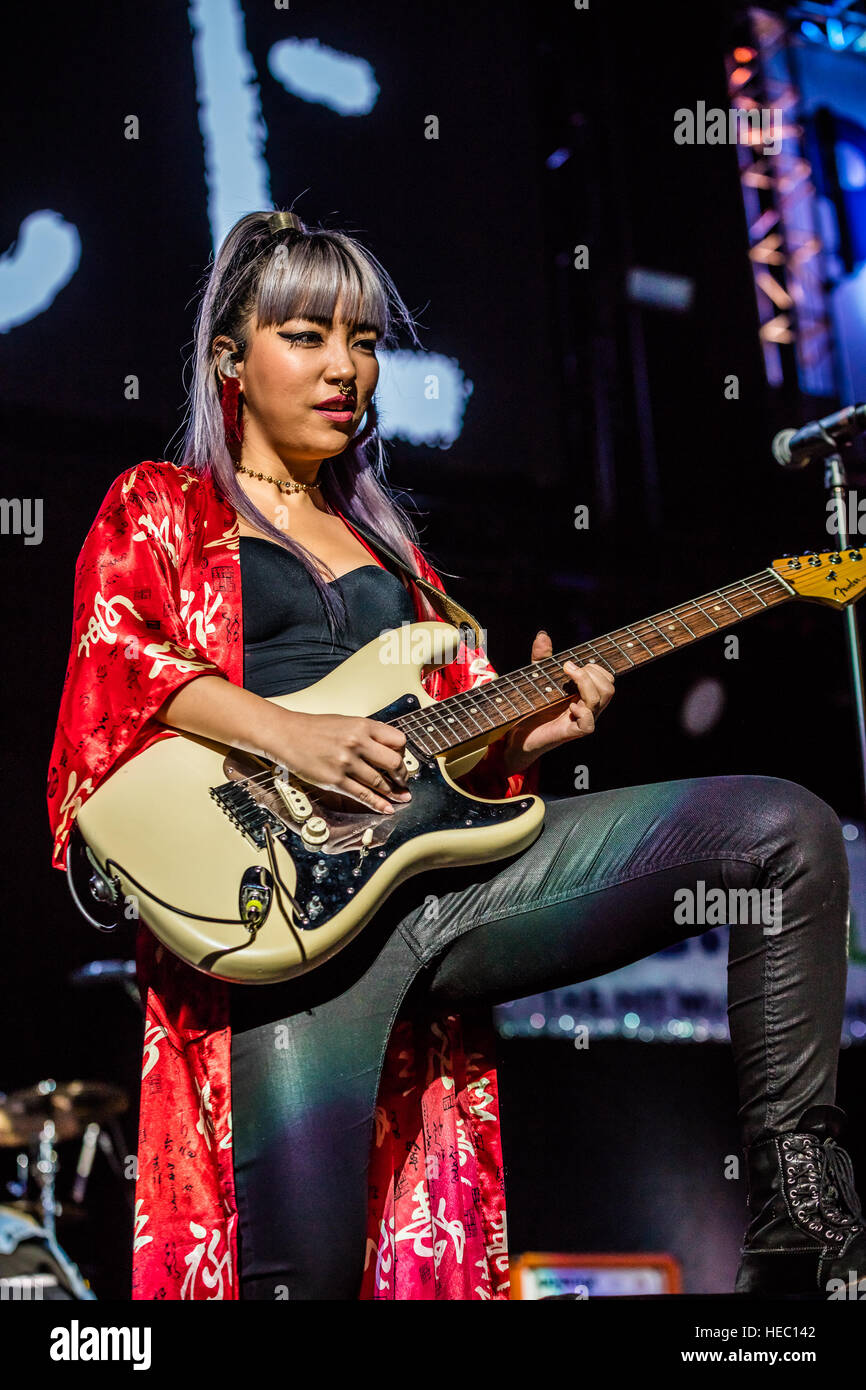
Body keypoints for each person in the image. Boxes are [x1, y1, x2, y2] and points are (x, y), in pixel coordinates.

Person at [48, 208, 865, 1302]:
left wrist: (518, 734)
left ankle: (799, 1231)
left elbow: (450, 781)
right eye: (308, 336)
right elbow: (115, 667)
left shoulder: (404, 561)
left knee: (785, 834)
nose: (347, 367)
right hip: (285, 929)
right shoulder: (161, 509)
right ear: (230, 359)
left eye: (368, 340)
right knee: (300, 1279)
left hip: (441, 896)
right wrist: (291, 734)